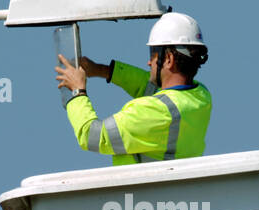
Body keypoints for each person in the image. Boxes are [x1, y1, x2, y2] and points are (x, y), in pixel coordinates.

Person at [53, 12, 210, 165]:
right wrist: (102, 70)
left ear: (168, 59)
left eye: (153, 55)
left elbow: (92, 136)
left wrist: (77, 91)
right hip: (166, 190)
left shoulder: (155, 112)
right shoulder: (200, 96)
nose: (149, 63)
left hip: (136, 192)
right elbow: (152, 87)